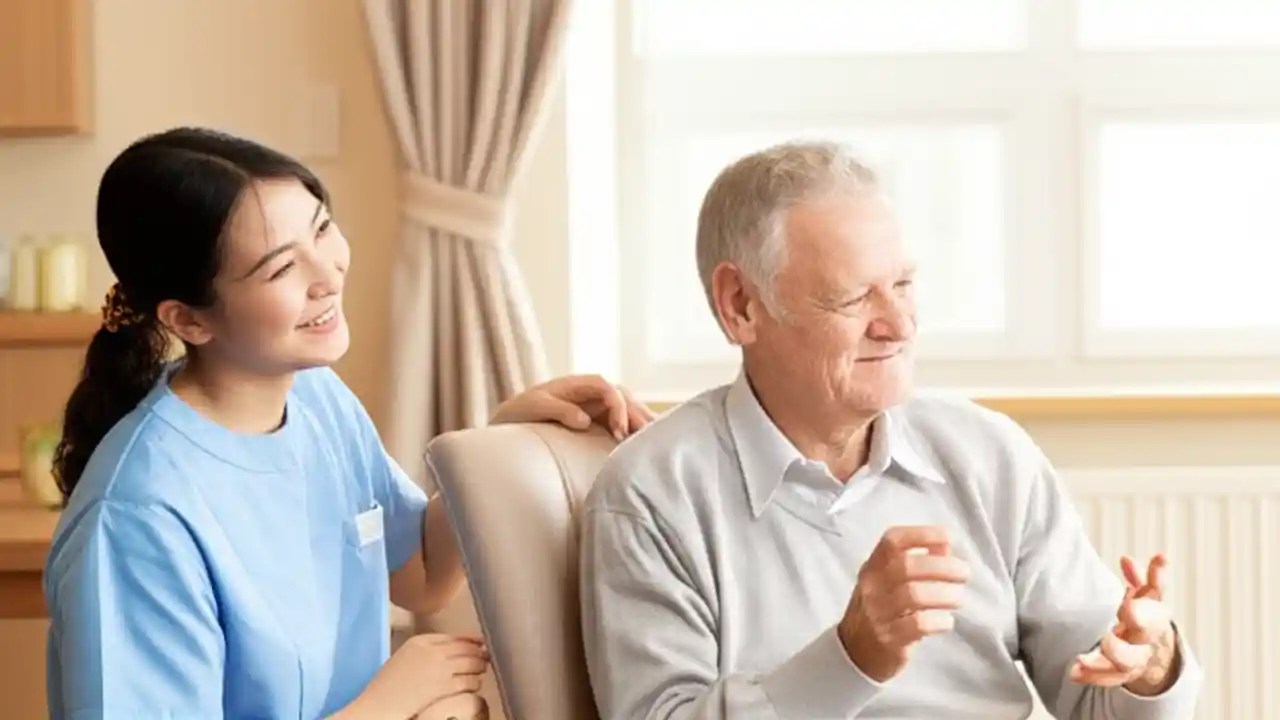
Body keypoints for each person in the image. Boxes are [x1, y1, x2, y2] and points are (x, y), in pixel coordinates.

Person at [43, 127, 653, 720]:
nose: (328, 275)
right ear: (189, 320)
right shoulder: (134, 521)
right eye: (282, 269)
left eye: (323, 228)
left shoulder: (314, 397)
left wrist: (503, 445)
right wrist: (388, 704)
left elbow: (417, 574)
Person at [579, 141, 1203, 719]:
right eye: (854, 299)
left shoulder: (988, 454)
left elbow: (1092, 700)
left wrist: (1149, 669)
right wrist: (850, 657)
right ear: (741, 305)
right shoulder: (650, 494)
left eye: (903, 285)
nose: (899, 325)